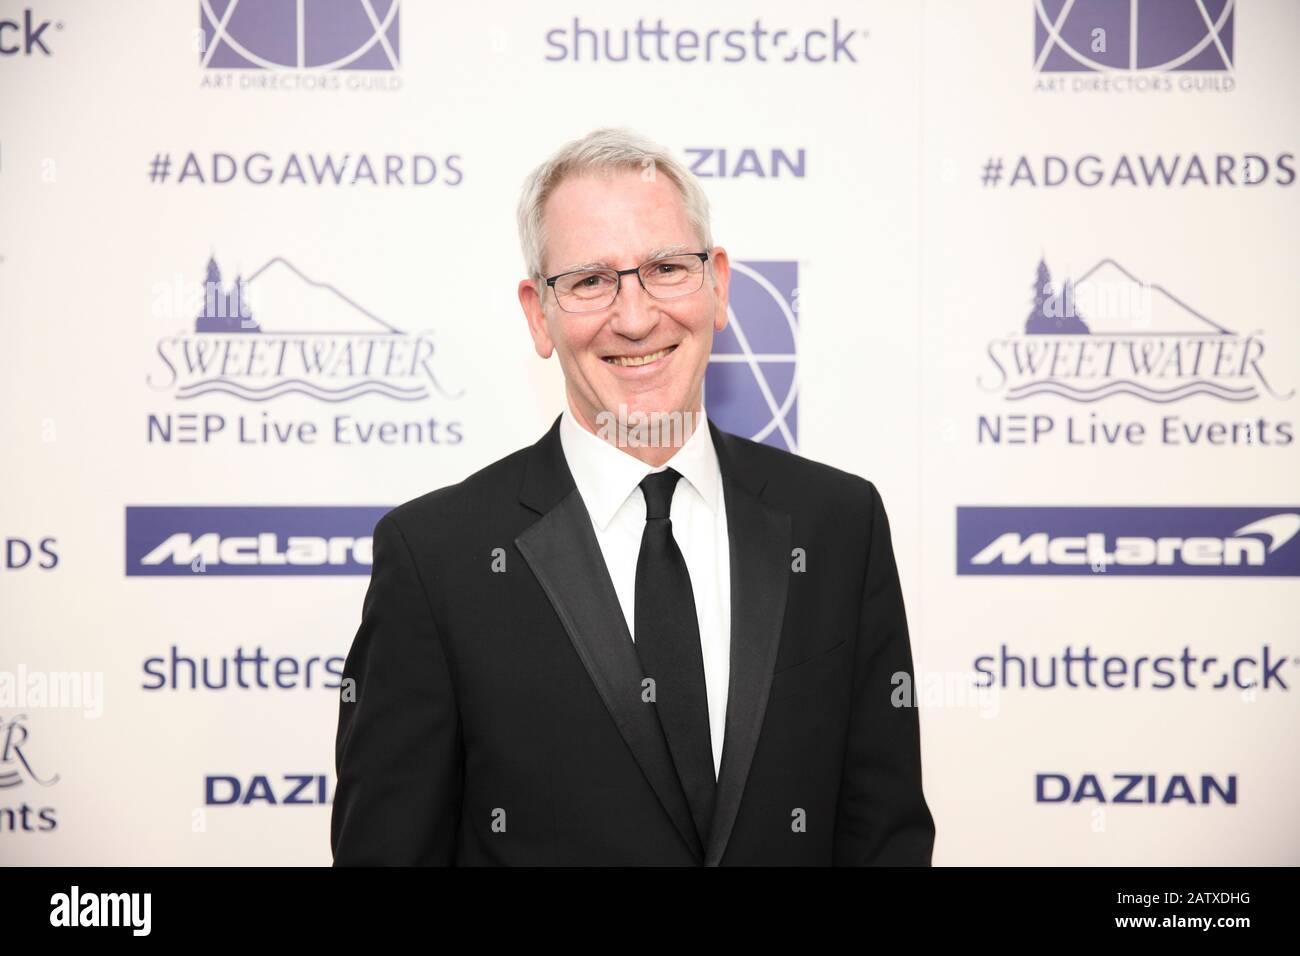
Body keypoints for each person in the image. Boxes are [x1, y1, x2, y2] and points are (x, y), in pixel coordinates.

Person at [331, 127, 934, 866]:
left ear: (718, 284)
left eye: (666, 268)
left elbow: (884, 836)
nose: (637, 316)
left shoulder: (840, 526)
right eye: (590, 280)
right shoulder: (437, 560)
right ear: (536, 313)